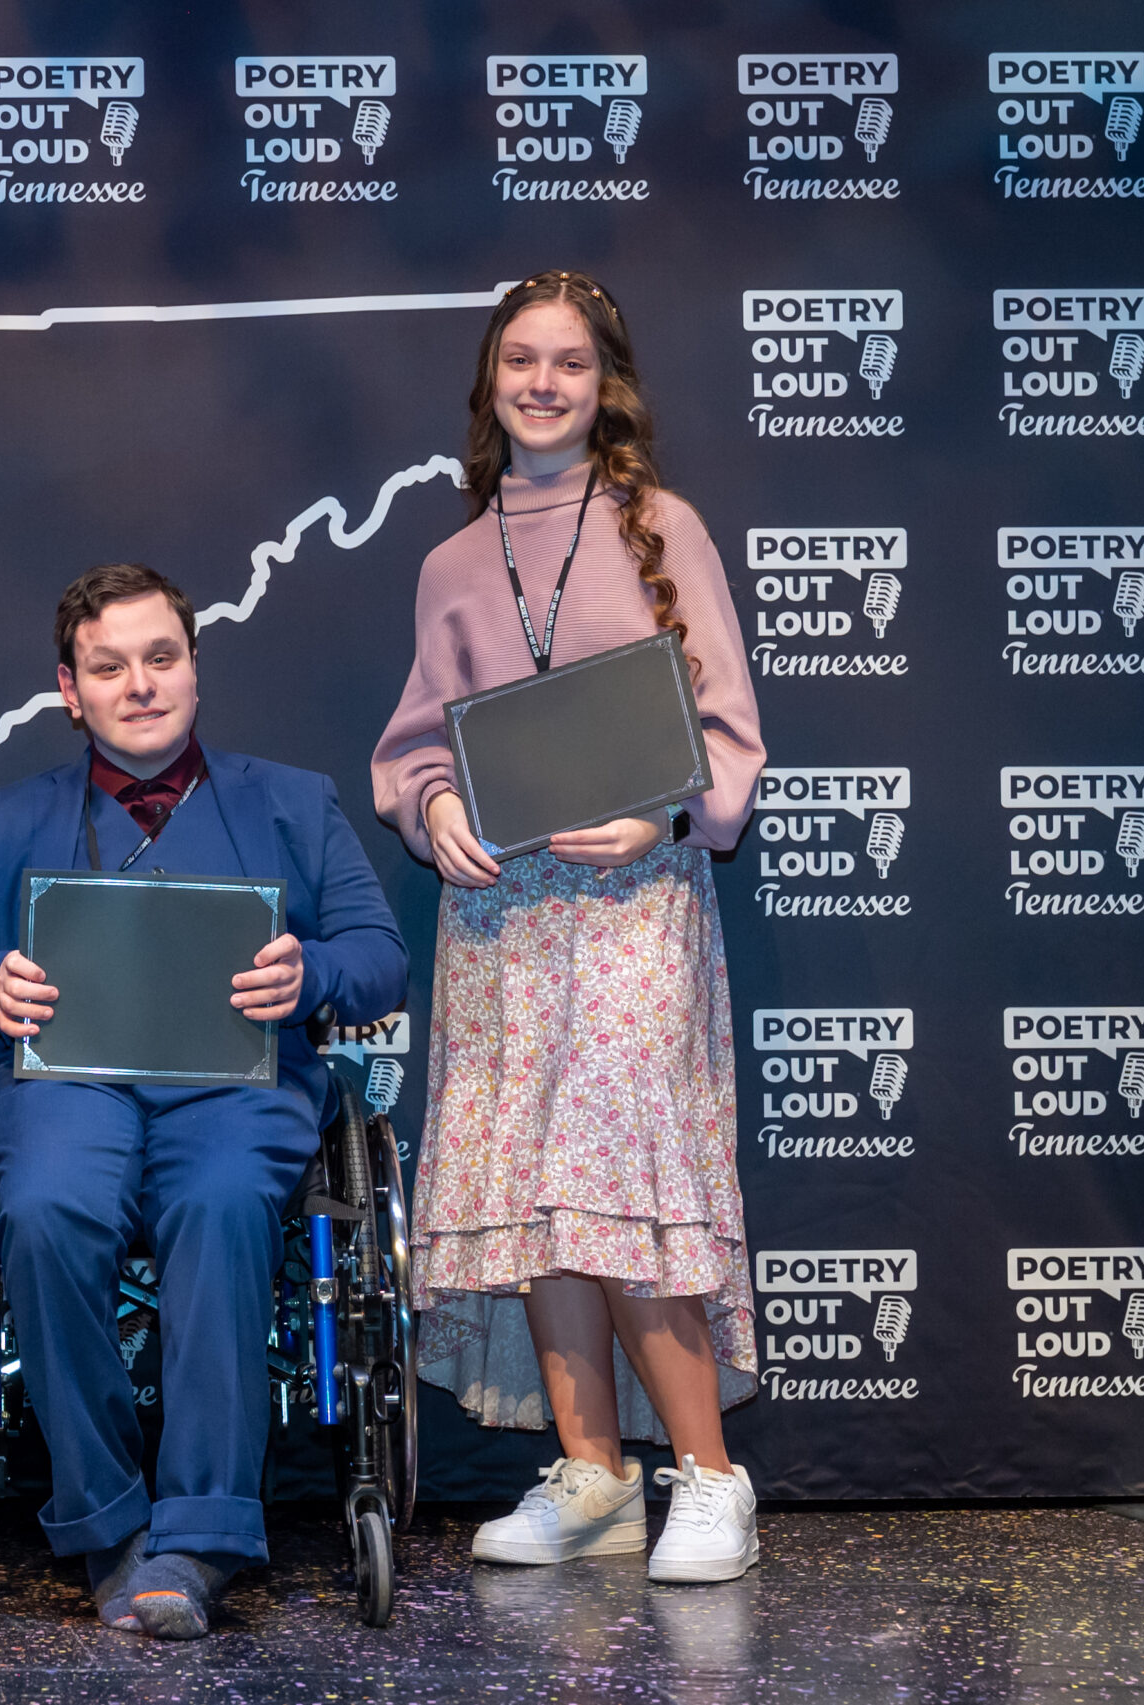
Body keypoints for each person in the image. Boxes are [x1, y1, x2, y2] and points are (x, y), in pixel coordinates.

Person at [0, 564, 409, 1639]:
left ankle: (198, 1538)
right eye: (109, 667)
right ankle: (108, 1525)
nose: (139, 684)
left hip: (231, 1085)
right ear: (69, 689)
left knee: (224, 1205)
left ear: (193, 667)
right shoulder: (7, 819)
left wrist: (312, 972)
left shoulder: (291, 801)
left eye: (160, 657)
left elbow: (379, 957)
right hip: (62, 1086)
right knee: (47, 1208)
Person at [369, 271, 767, 1583]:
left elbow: (727, 736)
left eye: (571, 363)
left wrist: (661, 819)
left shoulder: (666, 526)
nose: (543, 383)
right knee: (533, 1193)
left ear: (608, 388)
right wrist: (434, 812)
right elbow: (415, 746)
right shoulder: (449, 563)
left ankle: (710, 1478)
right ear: (490, 383)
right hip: (504, 918)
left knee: (619, 1178)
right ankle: (593, 1477)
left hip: (636, 904)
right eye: (521, 360)